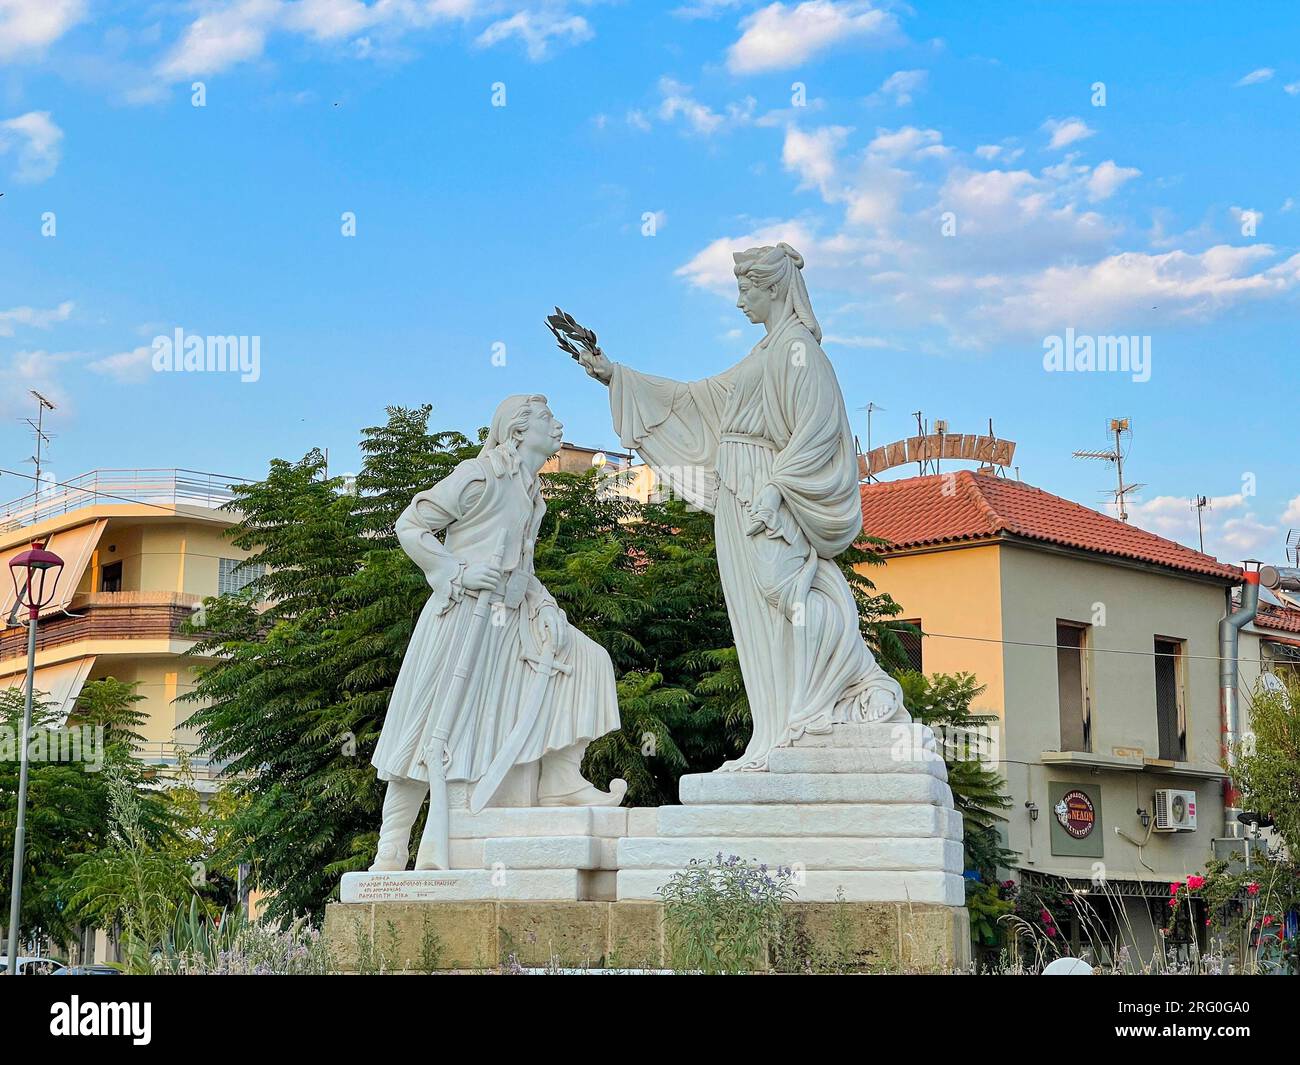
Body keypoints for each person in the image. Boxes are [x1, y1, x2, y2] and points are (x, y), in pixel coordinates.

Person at [576, 243, 908, 771]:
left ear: (772, 287)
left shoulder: (799, 351)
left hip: (766, 486)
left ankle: (845, 688)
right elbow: (696, 399)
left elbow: (819, 431)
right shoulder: (763, 353)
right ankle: (776, 732)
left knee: (786, 593)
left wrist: (776, 490)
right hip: (739, 485)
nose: (739, 302)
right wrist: (615, 374)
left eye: (745, 290)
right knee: (755, 611)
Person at [370, 394, 625, 872]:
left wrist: (546, 605)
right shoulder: (480, 474)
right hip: (462, 614)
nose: (559, 423)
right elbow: (411, 525)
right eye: (548, 418)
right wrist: (455, 570)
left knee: (590, 659)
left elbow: (522, 568)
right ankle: (392, 847)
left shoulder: (533, 492)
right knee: (426, 727)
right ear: (518, 431)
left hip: (510, 620)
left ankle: (560, 779)